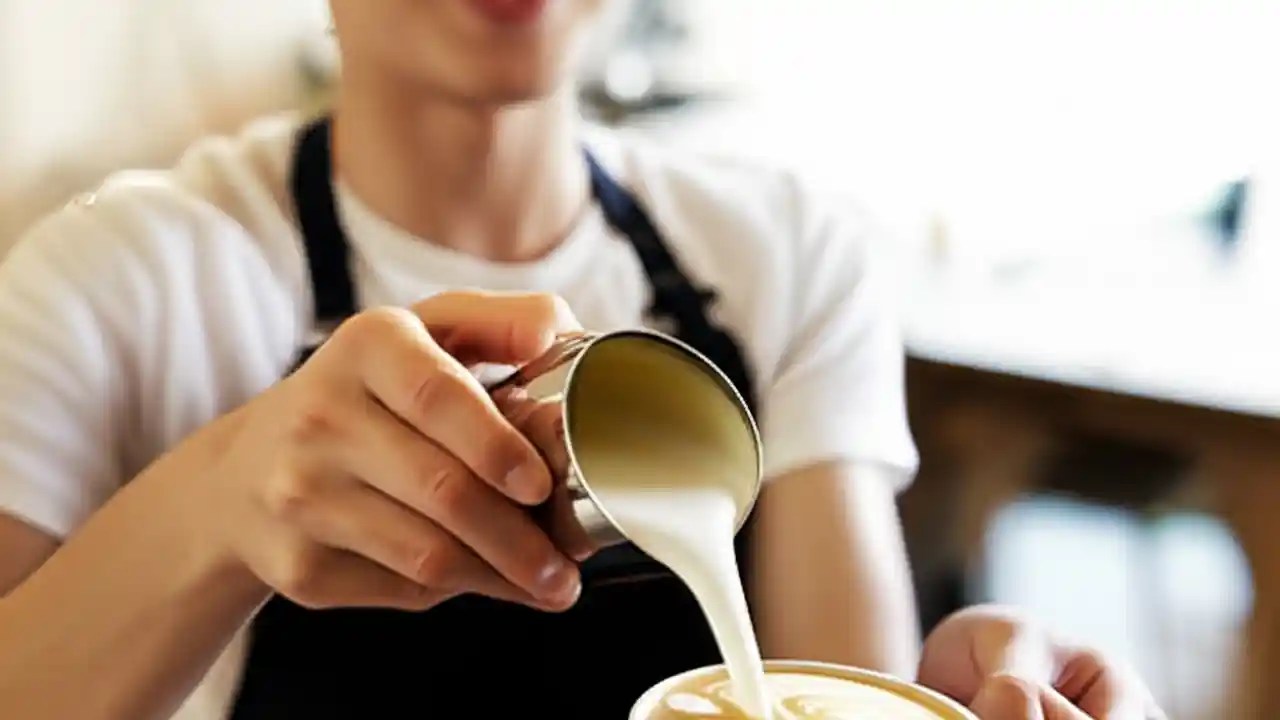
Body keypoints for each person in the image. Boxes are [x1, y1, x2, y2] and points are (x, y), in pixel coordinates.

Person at [0, 1, 1162, 718]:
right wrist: (216, 504)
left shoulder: (786, 253)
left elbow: (822, 688)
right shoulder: (118, 278)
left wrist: (947, 701)